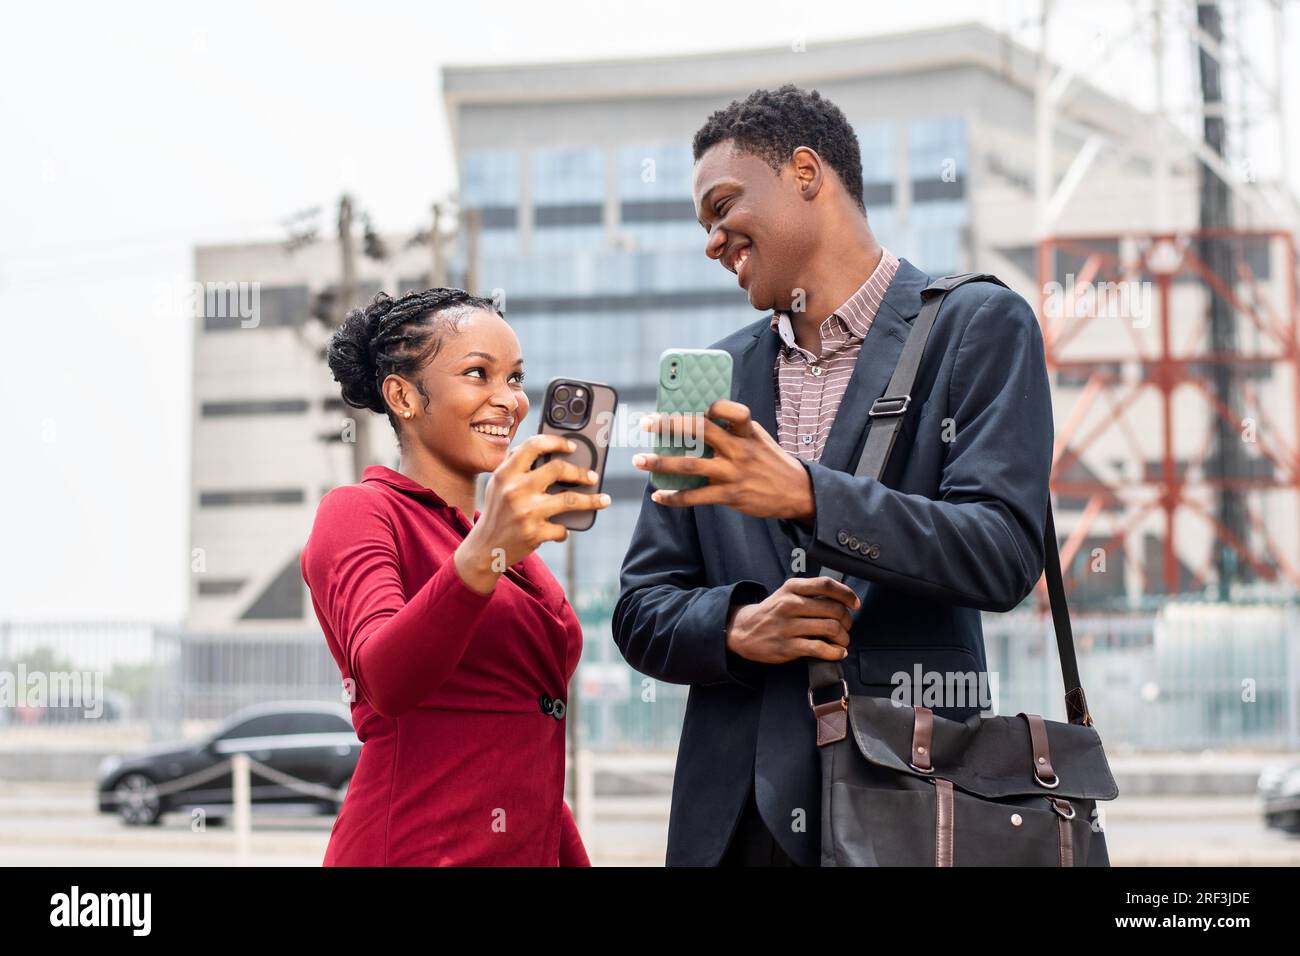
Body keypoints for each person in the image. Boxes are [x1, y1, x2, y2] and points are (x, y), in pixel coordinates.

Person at [614, 85, 1053, 866]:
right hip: (733, 830)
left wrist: (810, 497)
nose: (713, 241)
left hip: (911, 808)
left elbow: (1003, 553)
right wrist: (738, 627)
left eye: (722, 208)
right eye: (704, 226)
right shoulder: (716, 377)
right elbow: (642, 609)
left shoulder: (975, 326)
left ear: (806, 173)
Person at [301, 287, 609, 866]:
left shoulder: (510, 549)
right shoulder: (362, 513)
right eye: (478, 374)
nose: (510, 401)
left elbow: (527, 753)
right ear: (404, 396)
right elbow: (385, 678)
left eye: (515, 378)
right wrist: (486, 549)